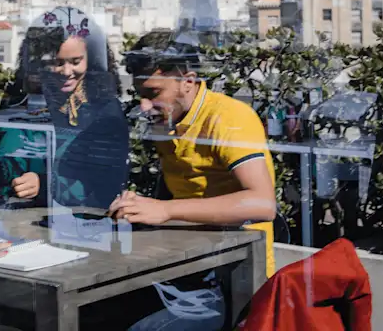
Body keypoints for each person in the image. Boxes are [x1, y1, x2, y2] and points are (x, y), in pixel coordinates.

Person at [112, 30, 277, 331]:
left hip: (231, 272)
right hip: (183, 262)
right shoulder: (168, 120)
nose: (145, 106)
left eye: (153, 94)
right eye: (140, 95)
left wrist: (166, 210)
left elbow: (263, 204)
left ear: (188, 81)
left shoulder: (228, 118)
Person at [0, 6, 129, 210]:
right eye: (57, 63)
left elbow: (104, 182)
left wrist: (46, 185)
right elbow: (17, 160)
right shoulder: (26, 106)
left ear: (90, 60)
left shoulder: (104, 111)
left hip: (87, 227)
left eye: (75, 62)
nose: (66, 72)